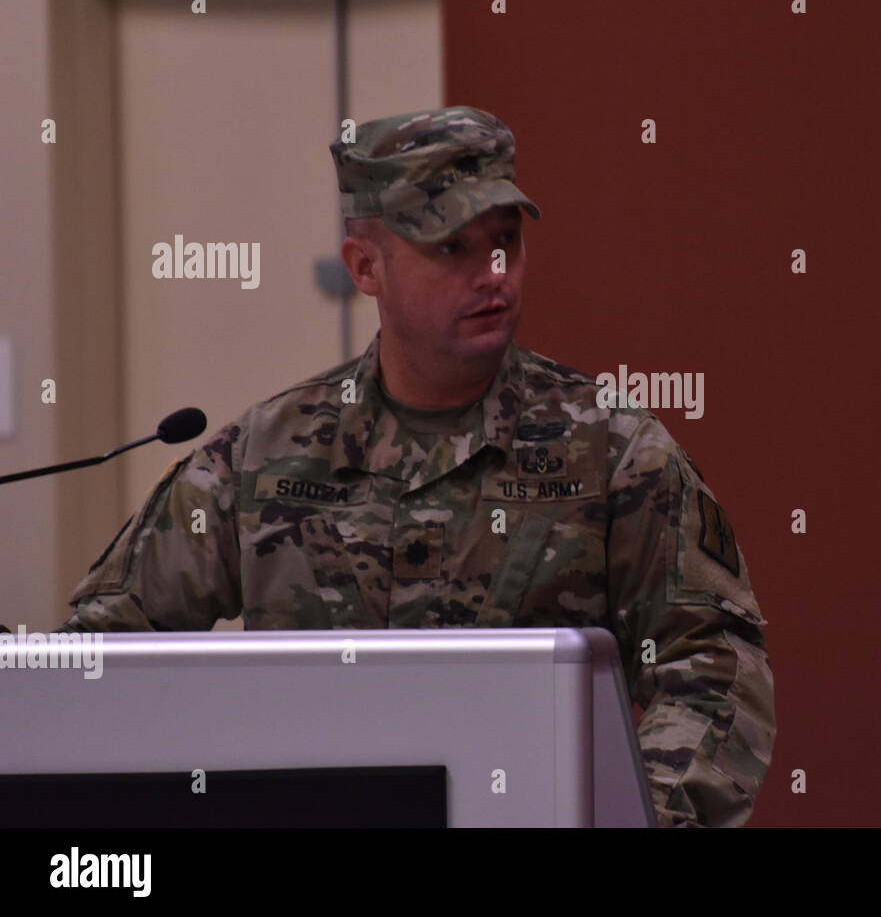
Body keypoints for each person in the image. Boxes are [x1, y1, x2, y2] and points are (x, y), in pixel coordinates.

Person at [57, 106, 776, 828]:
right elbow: (99, 654)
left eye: (505, 242)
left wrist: (634, 815)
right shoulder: (267, 452)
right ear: (366, 267)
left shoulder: (611, 448)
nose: (492, 274)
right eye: (452, 248)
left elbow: (716, 665)